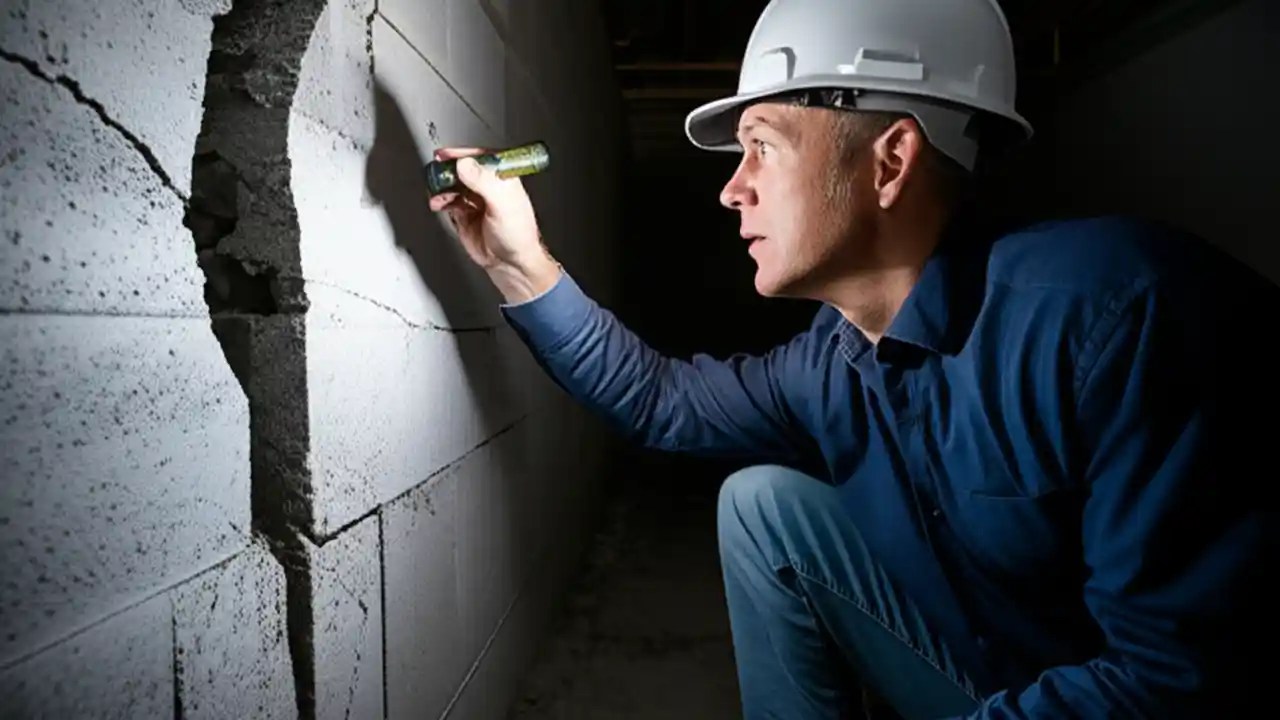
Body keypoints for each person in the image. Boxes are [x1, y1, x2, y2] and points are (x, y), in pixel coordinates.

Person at [428, 0, 1277, 717]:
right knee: (762, 506)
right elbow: (662, 401)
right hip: (999, 679)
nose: (732, 187)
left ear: (890, 162)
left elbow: (1175, 679)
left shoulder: (1119, 317)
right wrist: (517, 260)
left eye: (762, 144)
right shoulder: (834, 360)